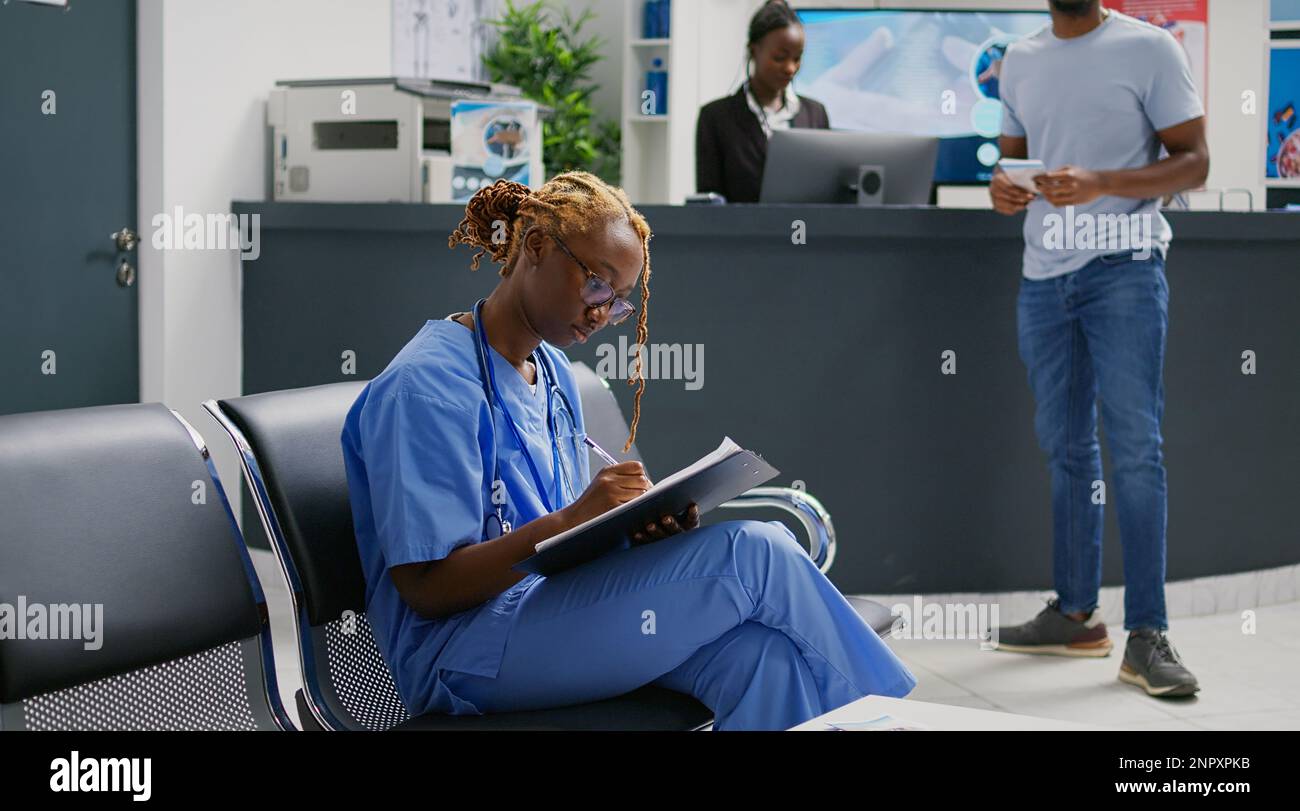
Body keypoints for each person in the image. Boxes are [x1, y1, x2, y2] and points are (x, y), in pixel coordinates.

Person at [340, 171, 916, 730]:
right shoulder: (427, 387)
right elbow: (428, 590)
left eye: (617, 302)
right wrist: (574, 518)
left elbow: (558, 547)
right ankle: (903, 719)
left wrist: (629, 530)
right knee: (754, 550)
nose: (601, 313)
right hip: (463, 653)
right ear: (536, 247)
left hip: (546, 614)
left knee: (762, 659)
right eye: (596, 284)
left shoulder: (553, 372)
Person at [987, 1, 1209, 698]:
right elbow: (1014, 167)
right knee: (1067, 447)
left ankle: (1148, 633)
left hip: (1126, 271)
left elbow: (1196, 163)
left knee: (1135, 448)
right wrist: (1005, 189)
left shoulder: (1150, 50)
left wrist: (1104, 183)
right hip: (1044, 279)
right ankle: (1077, 615)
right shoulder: (1019, 59)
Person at [695, 0, 830, 203]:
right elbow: (709, 203)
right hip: (742, 232)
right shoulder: (715, 118)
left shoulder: (815, 114)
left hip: (805, 231)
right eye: (780, 57)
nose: (790, 68)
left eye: (797, 58)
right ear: (753, 51)